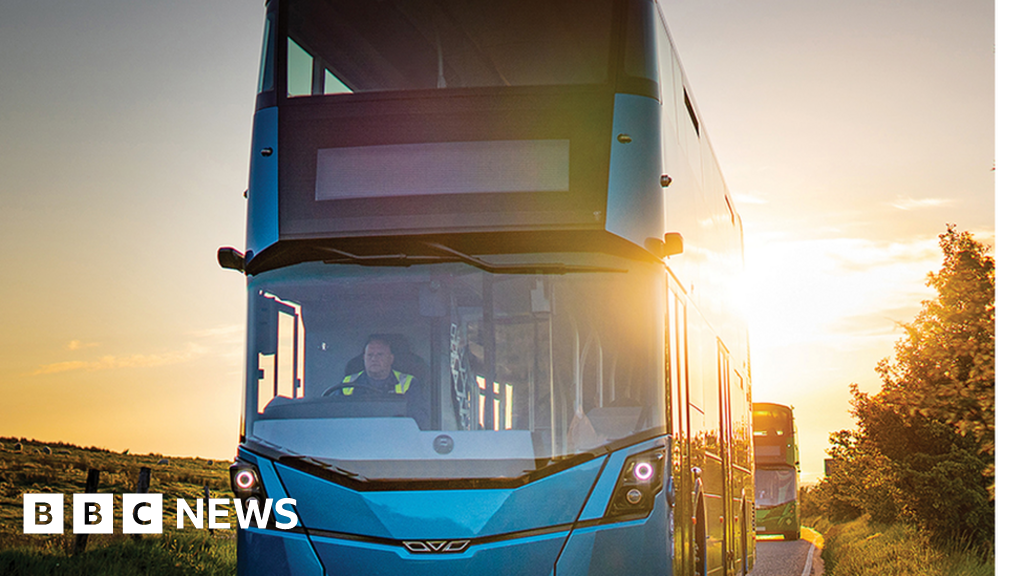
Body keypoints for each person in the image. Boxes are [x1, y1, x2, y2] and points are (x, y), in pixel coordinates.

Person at [323, 336, 428, 428]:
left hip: (395, 440)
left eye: (380, 355)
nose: (374, 359)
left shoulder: (409, 383)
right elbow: (335, 418)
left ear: (391, 359)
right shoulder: (348, 383)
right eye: (370, 355)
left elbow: (419, 422)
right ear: (364, 358)